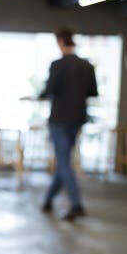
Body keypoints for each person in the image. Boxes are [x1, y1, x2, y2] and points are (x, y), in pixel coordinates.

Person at [38, 28, 98, 221]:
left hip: (59, 119)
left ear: (61, 42)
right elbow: (92, 92)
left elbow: (49, 90)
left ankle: (76, 204)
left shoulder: (57, 65)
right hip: (77, 118)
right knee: (63, 160)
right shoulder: (87, 66)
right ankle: (48, 200)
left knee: (63, 162)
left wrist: (40, 96)